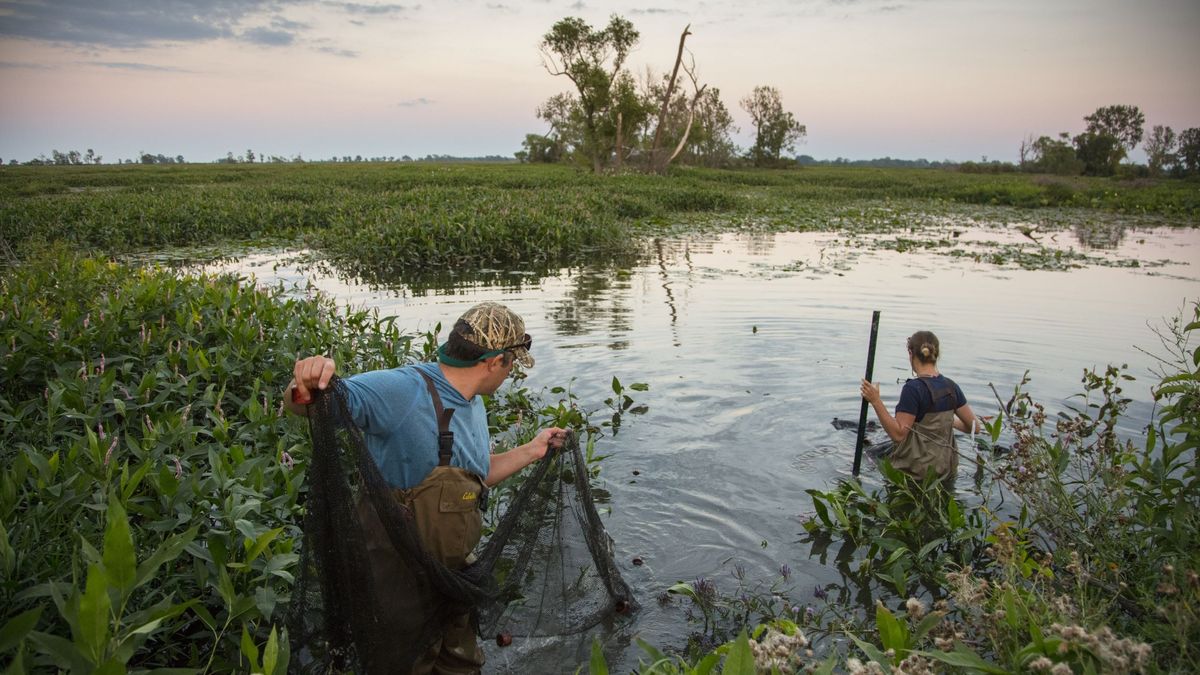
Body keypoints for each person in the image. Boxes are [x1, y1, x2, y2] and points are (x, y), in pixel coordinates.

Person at [284, 301, 567, 674]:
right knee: (403, 664)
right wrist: (304, 384)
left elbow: (475, 475)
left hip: (451, 575)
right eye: (511, 364)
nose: (510, 373)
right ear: (495, 361)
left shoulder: (473, 403)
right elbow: (311, 405)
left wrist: (533, 449)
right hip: (397, 578)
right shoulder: (402, 390)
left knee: (460, 664)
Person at [859, 330, 980, 483]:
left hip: (915, 475)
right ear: (936, 353)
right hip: (945, 473)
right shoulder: (951, 387)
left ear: (911, 353)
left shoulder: (913, 389)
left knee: (868, 456)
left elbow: (898, 435)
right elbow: (974, 427)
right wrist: (948, 419)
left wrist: (876, 401)